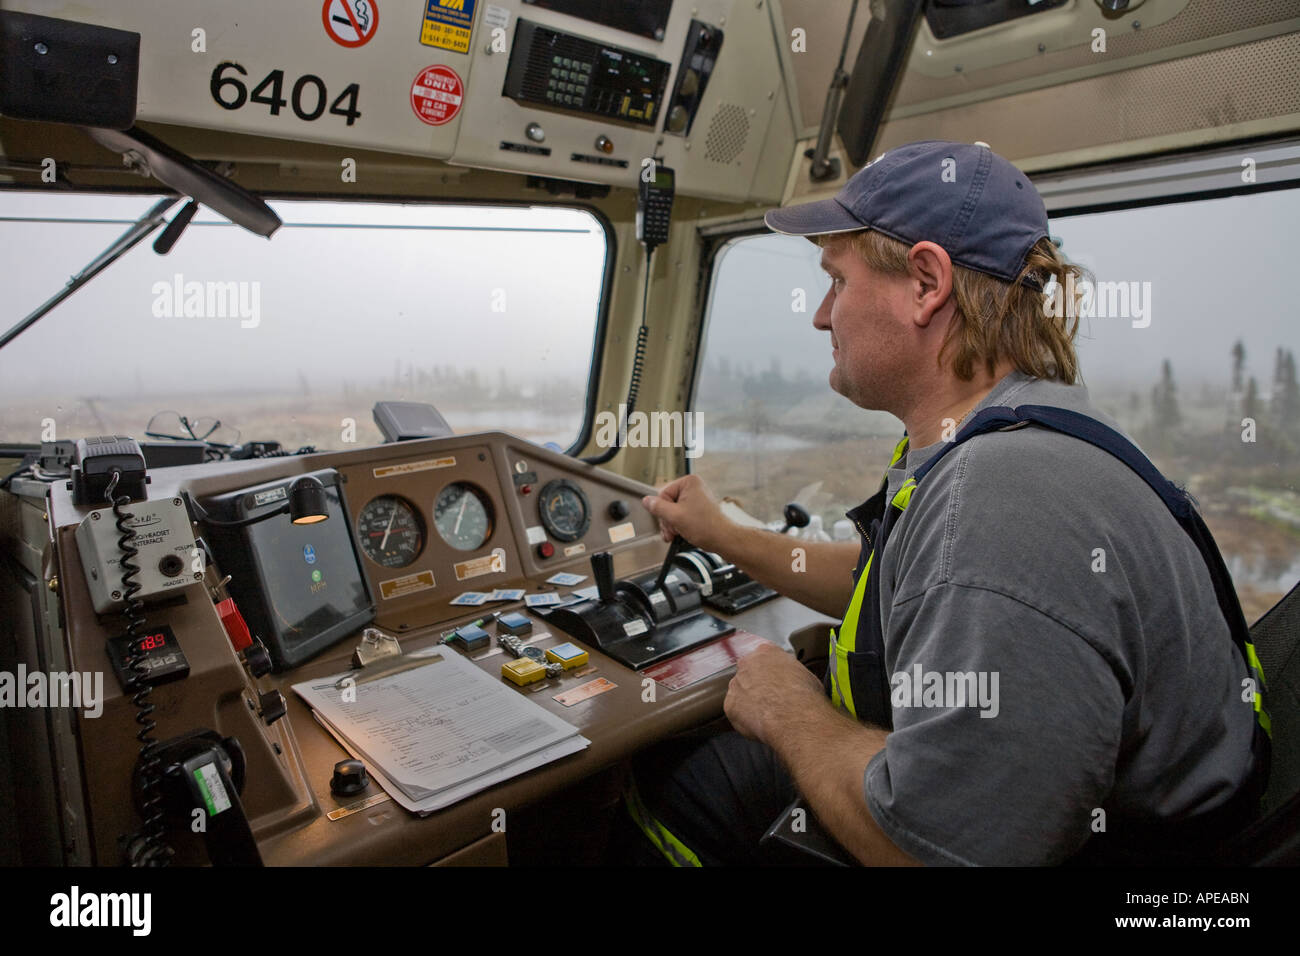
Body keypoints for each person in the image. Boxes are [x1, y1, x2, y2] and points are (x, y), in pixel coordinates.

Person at [622, 140, 1267, 866]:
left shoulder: (1000, 502)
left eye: (836, 281)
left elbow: (935, 852)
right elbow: (890, 583)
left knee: (659, 791)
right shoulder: (1011, 438)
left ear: (926, 283)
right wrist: (723, 534)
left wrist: (788, 710)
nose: (821, 316)